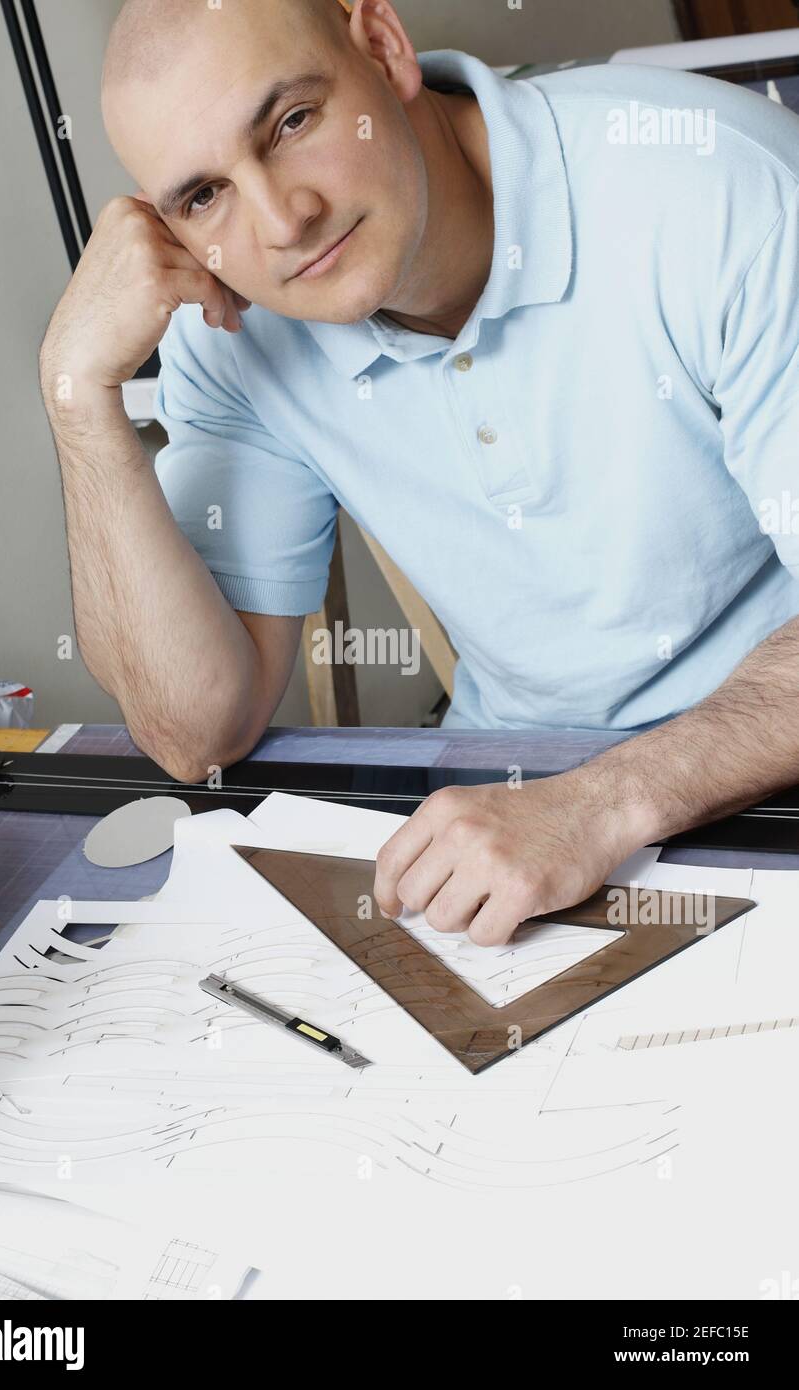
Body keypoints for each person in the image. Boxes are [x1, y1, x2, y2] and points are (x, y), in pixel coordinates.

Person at [39, 0, 799, 944]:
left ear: (382, 46)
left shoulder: (723, 189)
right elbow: (198, 732)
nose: (282, 221)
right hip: (515, 817)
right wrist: (79, 398)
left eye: (292, 123)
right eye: (204, 196)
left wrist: (603, 804)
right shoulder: (236, 330)